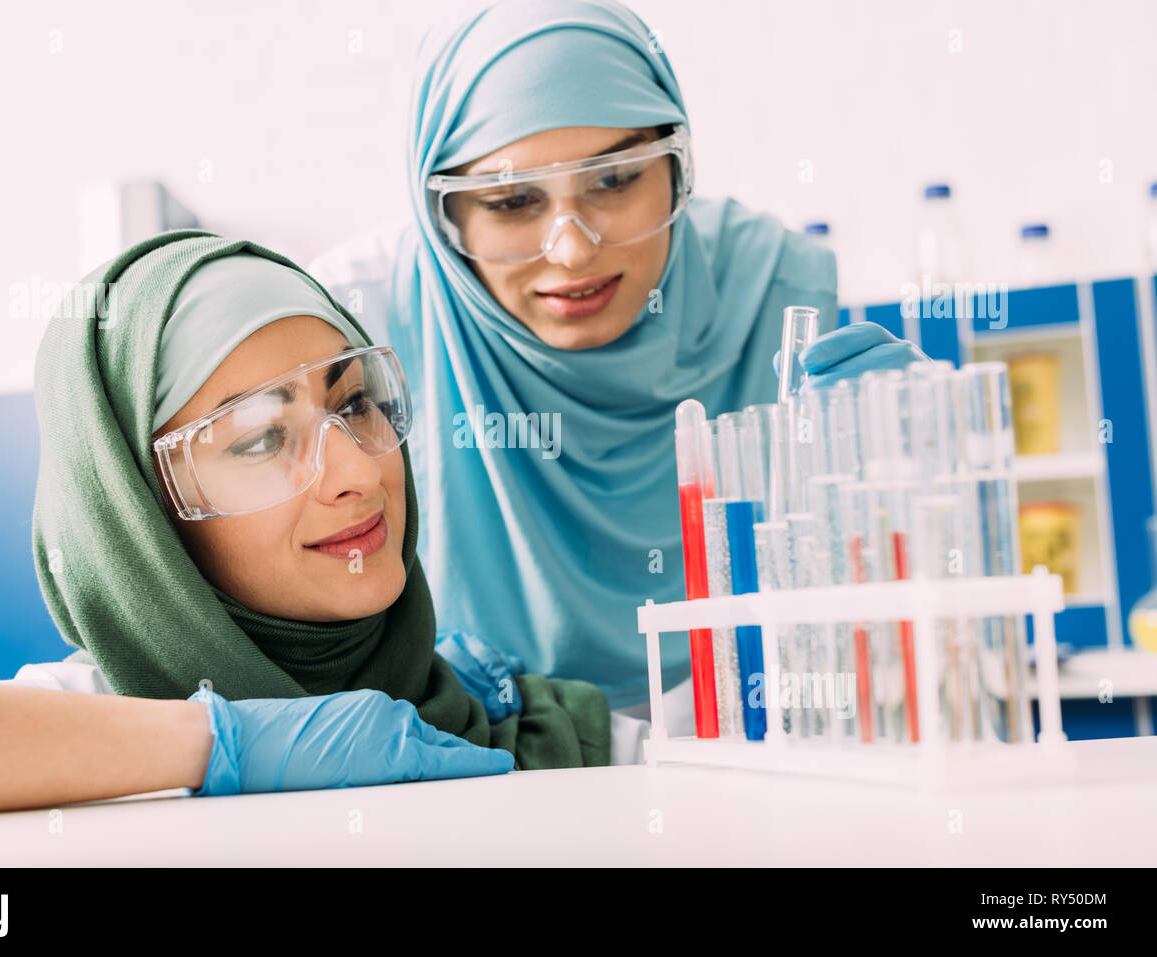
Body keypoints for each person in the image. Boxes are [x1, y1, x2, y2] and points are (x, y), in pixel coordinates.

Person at [309, 0, 926, 724]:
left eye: (614, 181)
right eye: (511, 202)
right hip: (485, 763)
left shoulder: (771, 290)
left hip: (749, 747)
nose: (571, 250)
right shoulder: (357, 326)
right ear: (444, 217)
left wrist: (906, 459)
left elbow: (860, 614)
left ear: (677, 165)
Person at [0, 231, 618, 820]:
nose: (356, 471)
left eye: (355, 403)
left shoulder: (528, 726)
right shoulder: (58, 731)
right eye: (260, 440)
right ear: (143, 520)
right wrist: (221, 743)